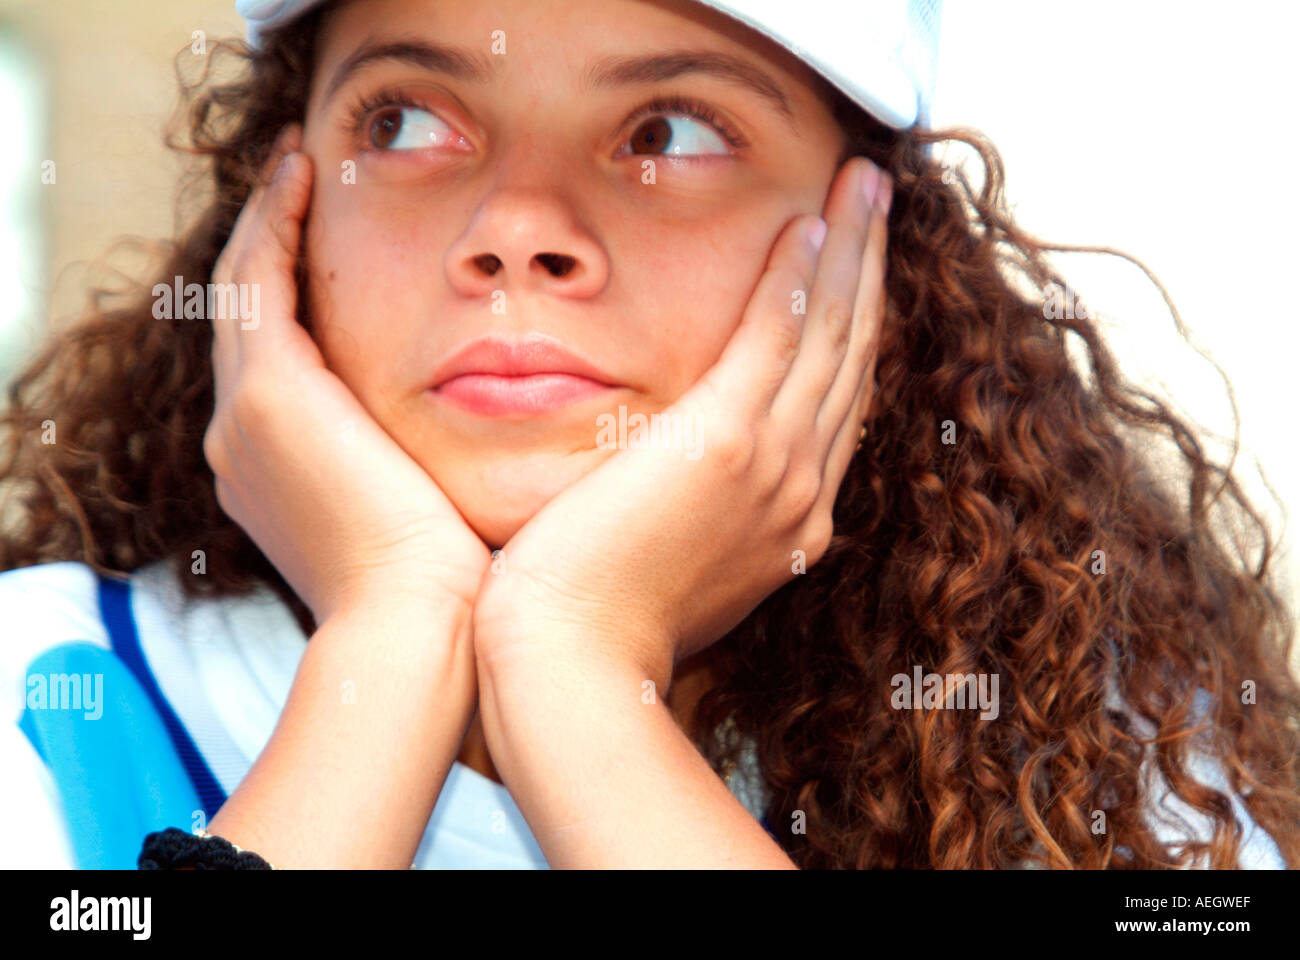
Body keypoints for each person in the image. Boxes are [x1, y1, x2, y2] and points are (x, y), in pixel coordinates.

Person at [1, 0, 1296, 869]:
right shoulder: (45, 694)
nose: (517, 225)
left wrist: (577, 670)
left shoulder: (1109, 768)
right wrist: (388, 641)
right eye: (404, 121)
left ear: (874, 255)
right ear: (277, 211)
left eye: (669, 132)